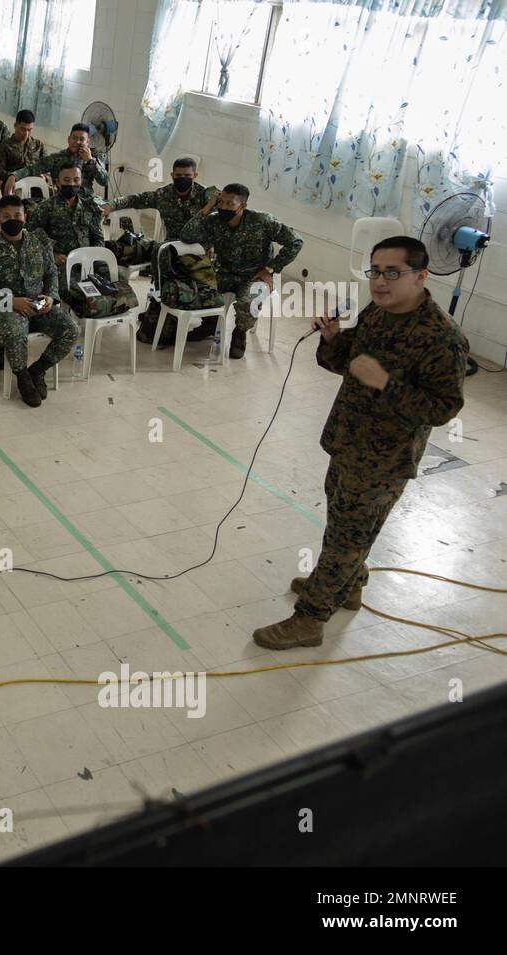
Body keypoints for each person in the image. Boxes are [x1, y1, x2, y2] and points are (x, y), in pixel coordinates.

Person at [253, 237, 467, 650]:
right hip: (348, 439)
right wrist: (333, 338)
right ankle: (349, 583)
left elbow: (442, 409)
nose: (381, 282)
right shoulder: (378, 312)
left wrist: (385, 383)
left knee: (346, 538)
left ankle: (310, 620)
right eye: (375, 271)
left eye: (393, 273)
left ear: (421, 276)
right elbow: (347, 363)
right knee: (343, 524)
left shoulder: (441, 337)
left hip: (384, 458)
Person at [0, 195, 77, 407]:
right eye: (7, 216)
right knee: (14, 334)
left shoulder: (39, 242)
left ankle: (37, 370)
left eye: (17, 215)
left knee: (71, 330)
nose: (13, 219)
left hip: (39, 303)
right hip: (7, 307)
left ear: (25, 216)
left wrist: (50, 296)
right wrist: (11, 301)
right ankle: (22, 378)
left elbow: (51, 273)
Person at [179, 182, 303, 358]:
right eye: (221, 202)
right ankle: (209, 324)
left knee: (249, 301)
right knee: (199, 289)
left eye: (230, 204)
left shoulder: (262, 221)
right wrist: (207, 207)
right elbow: (187, 235)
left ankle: (239, 333)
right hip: (225, 272)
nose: (224, 207)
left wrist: (270, 269)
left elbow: (295, 242)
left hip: (255, 276)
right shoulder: (214, 220)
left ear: (243, 205)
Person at [28, 163, 104, 295]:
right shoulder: (46, 208)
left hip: (89, 260)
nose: (72, 184)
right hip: (62, 264)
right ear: (57, 182)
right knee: (77, 293)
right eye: (67, 180)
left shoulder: (90, 206)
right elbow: (31, 239)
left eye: (76, 180)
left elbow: (98, 238)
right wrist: (52, 256)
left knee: (117, 281)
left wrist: (93, 255)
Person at [103, 157, 216, 241]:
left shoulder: (205, 196)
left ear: (195, 175)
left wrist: (211, 245)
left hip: (200, 244)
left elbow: (217, 223)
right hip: (171, 245)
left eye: (187, 176)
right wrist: (111, 205)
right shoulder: (163, 194)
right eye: (178, 175)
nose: (183, 179)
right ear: (172, 175)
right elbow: (135, 199)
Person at [6, 123, 107, 199]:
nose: (77, 142)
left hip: (86, 202)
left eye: (81, 139)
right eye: (74, 138)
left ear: (88, 142)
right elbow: (33, 168)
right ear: (68, 139)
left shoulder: (93, 157)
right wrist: (14, 176)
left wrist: (90, 160)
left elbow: (104, 181)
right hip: (62, 203)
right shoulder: (56, 158)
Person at [0, 109, 44, 188]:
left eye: (29, 130)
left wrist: (45, 177)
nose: (26, 134)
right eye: (23, 129)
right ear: (15, 125)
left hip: (35, 186)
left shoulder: (38, 145)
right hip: (14, 186)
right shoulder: (6, 145)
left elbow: (47, 166)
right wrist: (13, 176)